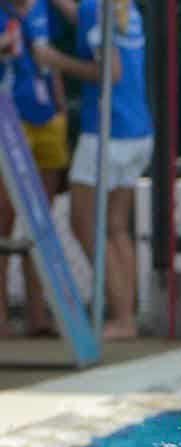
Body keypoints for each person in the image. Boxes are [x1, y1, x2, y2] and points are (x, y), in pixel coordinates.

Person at [59, 0, 149, 341]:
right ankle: (128, 314)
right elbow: (88, 21)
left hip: (107, 132)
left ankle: (121, 316)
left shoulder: (92, 8)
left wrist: (55, 61)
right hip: (138, 130)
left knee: (84, 222)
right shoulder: (123, 7)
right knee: (116, 228)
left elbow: (111, 72)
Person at [1, 0, 71, 336]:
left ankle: (38, 314)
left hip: (45, 117)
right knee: (4, 220)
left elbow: (50, 59)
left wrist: (61, 109)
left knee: (41, 221)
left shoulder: (43, 8)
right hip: (8, 119)